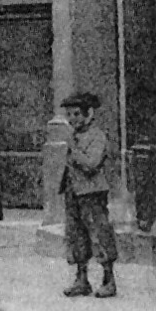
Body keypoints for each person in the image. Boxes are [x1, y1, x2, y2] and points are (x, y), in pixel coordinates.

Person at [58, 92, 118, 299]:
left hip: (92, 192)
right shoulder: (73, 136)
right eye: (69, 115)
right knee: (76, 235)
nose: (72, 119)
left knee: (99, 234)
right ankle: (81, 279)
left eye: (76, 114)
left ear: (88, 114)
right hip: (74, 192)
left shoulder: (97, 136)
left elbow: (92, 163)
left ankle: (108, 280)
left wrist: (74, 153)